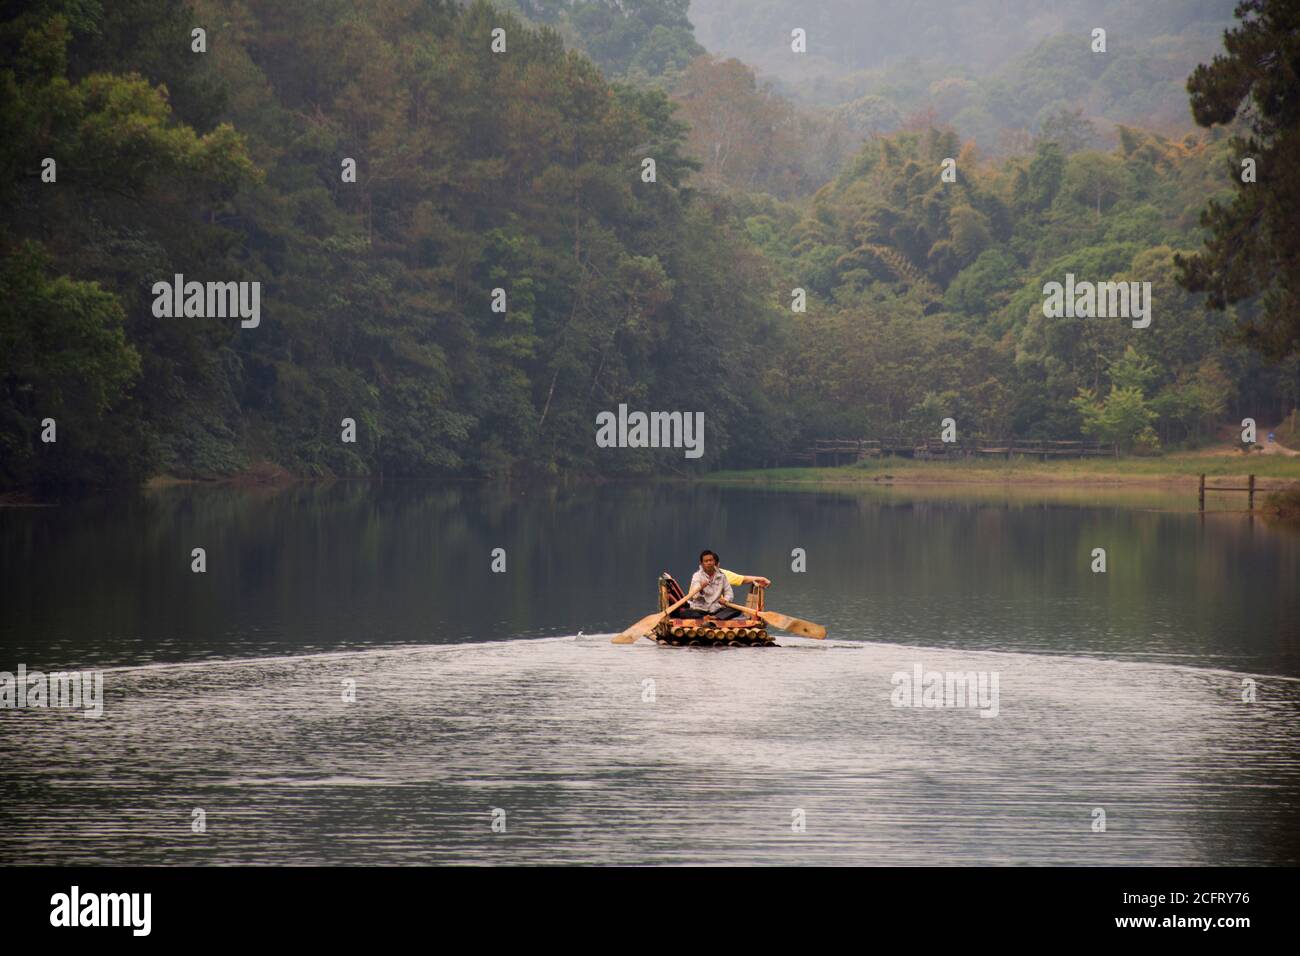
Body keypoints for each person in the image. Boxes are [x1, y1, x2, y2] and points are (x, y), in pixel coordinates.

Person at [675, 550, 771, 620]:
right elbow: (692, 597)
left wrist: (725, 600)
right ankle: (706, 618)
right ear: (702, 563)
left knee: (736, 610)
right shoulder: (697, 576)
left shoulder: (722, 576)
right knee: (684, 612)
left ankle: (714, 618)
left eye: (711, 560)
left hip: (716, 609)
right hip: (700, 609)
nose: (709, 563)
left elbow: (729, 593)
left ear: (715, 562)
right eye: (706, 561)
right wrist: (701, 588)